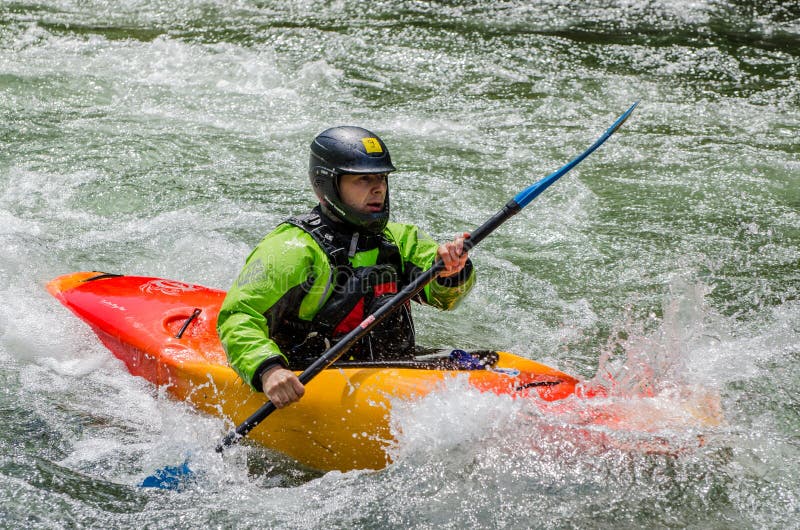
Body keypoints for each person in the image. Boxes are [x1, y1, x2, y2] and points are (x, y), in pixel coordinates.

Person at [217, 126, 475, 409]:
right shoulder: (292, 250)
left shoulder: (399, 241)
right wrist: (268, 369)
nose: (378, 188)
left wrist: (453, 270)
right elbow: (238, 317)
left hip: (392, 372)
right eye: (363, 179)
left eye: (381, 178)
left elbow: (446, 299)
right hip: (311, 376)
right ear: (329, 184)